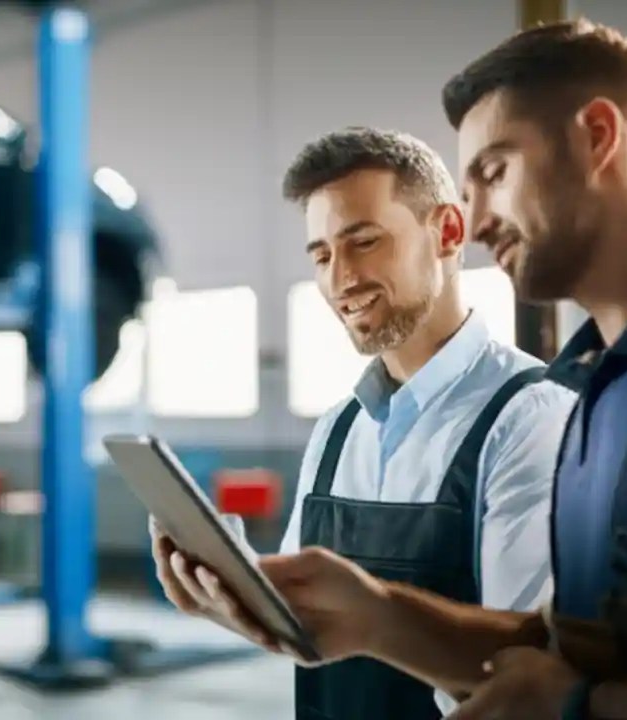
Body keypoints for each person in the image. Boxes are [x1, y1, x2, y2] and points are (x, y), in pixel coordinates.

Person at [235, 18, 627, 720]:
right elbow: (559, 647)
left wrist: (583, 709)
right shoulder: (597, 388)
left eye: (494, 172)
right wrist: (370, 614)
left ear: (598, 136)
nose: (476, 217)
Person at [150, 126, 577, 719]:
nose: (340, 279)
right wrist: (233, 602)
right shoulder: (336, 431)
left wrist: (379, 616)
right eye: (322, 255)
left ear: (449, 232)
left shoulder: (531, 416)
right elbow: (308, 627)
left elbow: (535, 674)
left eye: (365, 241)